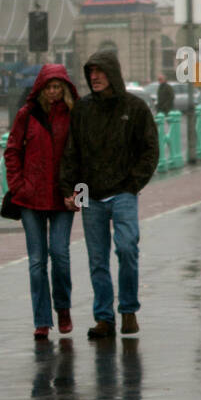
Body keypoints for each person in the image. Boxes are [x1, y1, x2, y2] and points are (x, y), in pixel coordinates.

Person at [58, 49, 159, 340]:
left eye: (100, 72)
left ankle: (128, 310)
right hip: (90, 194)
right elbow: (71, 152)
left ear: (113, 74)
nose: (95, 77)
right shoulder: (83, 109)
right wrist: (70, 189)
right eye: (91, 73)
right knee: (97, 259)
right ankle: (104, 318)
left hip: (124, 192)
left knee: (127, 248)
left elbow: (150, 150)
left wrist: (133, 183)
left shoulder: (135, 108)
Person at [4, 64, 78, 341]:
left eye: (59, 87)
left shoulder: (73, 116)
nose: (54, 92)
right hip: (30, 199)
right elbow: (12, 151)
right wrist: (18, 186)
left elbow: (82, 158)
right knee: (36, 262)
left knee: (60, 255)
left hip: (63, 199)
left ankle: (63, 309)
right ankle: (42, 320)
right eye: (50, 87)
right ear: (41, 88)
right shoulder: (26, 115)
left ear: (66, 89)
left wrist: (78, 195)